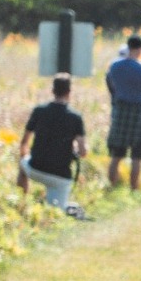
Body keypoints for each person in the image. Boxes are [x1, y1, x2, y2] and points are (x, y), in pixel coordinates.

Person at [17, 73, 87, 212]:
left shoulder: (39, 111)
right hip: (61, 176)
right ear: (69, 92)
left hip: (36, 168)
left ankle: (22, 204)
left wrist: (27, 156)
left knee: (22, 165)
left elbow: (24, 143)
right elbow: (83, 152)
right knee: (55, 212)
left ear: (52, 91)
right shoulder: (75, 118)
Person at [105, 36, 141, 189]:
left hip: (120, 110)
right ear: (140, 49)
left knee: (116, 154)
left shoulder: (114, 65)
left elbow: (110, 84)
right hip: (138, 111)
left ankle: (112, 186)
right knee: (137, 155)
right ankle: (133, 188)